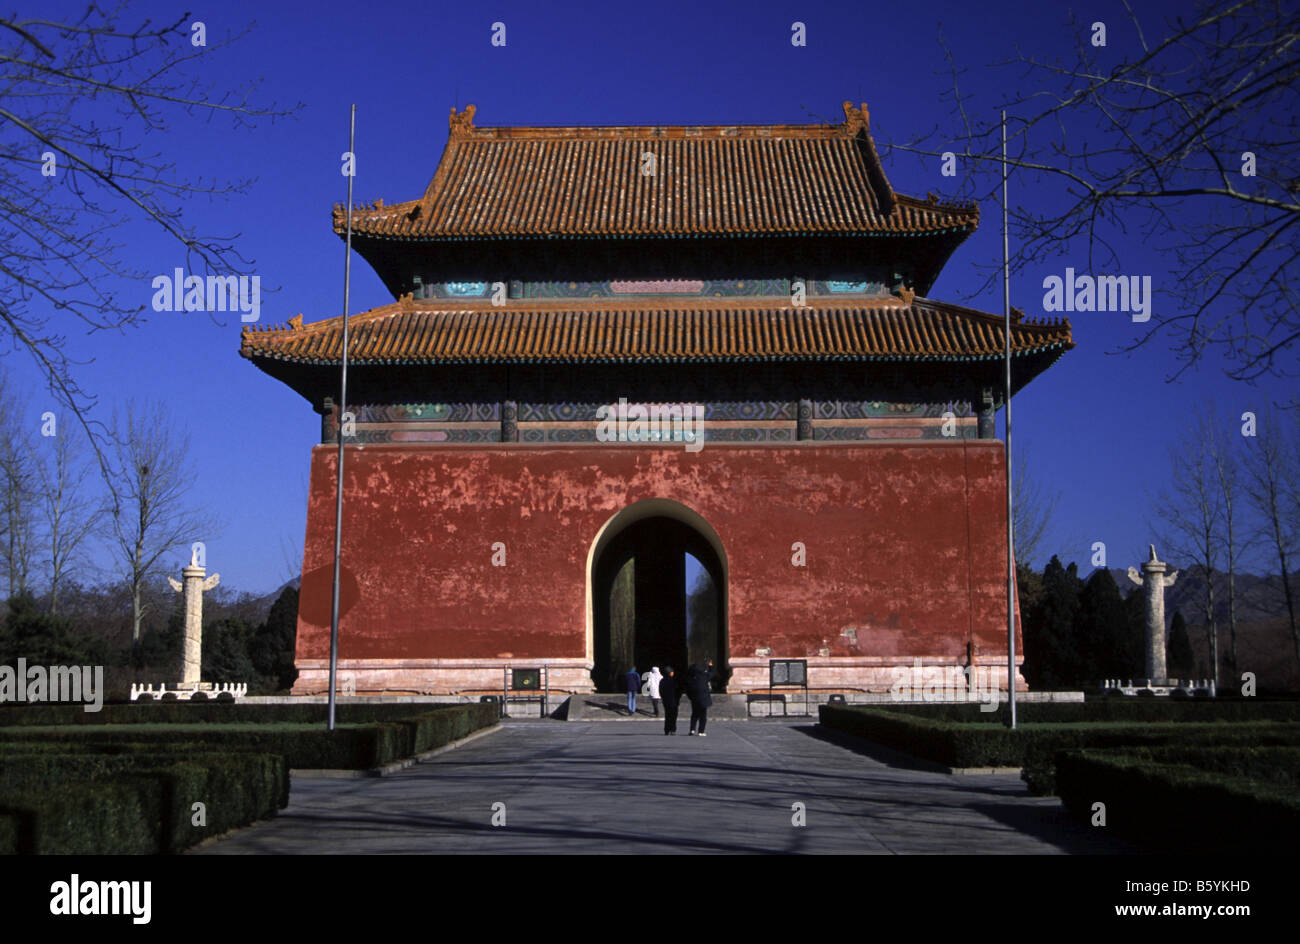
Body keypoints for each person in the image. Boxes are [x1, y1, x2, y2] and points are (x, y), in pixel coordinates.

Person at [685, 663, 713, 736]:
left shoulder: (690, 679)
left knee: (694, 715)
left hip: (694, 699)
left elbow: (687, 690)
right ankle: (701, 731)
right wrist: (710, 666)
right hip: (703, 699)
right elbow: (711, 674)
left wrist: (691, 697)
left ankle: (692, 730)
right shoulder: (704, 676)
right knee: (703, 716)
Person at [659, 666, 680, 735]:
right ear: (670, 673)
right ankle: (672, 729)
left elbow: (661, 691)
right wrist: (677, 699)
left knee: (667, 715)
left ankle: (667, 729)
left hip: (666, 701)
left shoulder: (662, 681)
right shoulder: (674, 680)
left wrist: (663, 698)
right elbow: (678, 691)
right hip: (674, 701)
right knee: (673, 716)